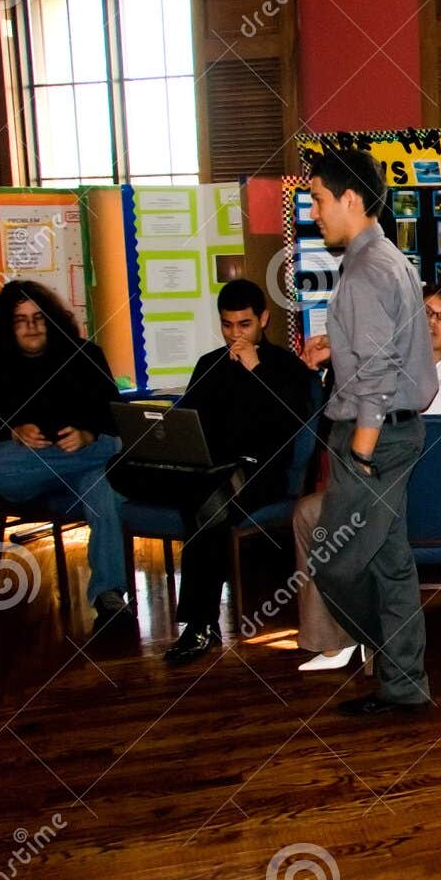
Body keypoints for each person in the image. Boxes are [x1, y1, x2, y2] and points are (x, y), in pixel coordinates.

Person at [298, 148, 438, 717]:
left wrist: (359, 451)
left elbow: (379, 374)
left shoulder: (361, 271)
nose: (314, 212)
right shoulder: (390, 259)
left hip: (373, 440)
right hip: (398, 430)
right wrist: (343, 350)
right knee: (390, 561)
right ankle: (404, 685)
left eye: (319, 199)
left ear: (351, 198)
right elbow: (392, 350)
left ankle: (385, 653)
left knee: (332, 560)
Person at [292, 281, 441, 671]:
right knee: (312, 512)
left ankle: (344, 638)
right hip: (391, 493)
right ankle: (336, 637)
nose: (432, 323)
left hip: (425, 506)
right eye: (425, 313)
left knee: (314, 514)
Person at [152, 280, 315, 665]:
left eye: (244, 324)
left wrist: (257, 371)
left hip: (262, 470)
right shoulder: (209, 364)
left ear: (263, 320)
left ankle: (199, 624)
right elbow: (187, 421)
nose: (235, 334)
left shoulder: (285, 367)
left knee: (206, 504)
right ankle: (200, 622)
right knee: (193, 490)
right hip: (212, 466)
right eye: (227, 325)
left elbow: (290, 424)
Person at [0, 280, 129, 628]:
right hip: (25, 476)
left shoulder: (85, 355)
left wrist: (87, 435)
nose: (32, 327)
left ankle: (109, 597)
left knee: (102, 484)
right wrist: (12, 431)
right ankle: (110, 453)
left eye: (38, 318)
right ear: (8, 326)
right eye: (21, 320)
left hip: (81, 476)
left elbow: (114, 414)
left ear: (51, 320)